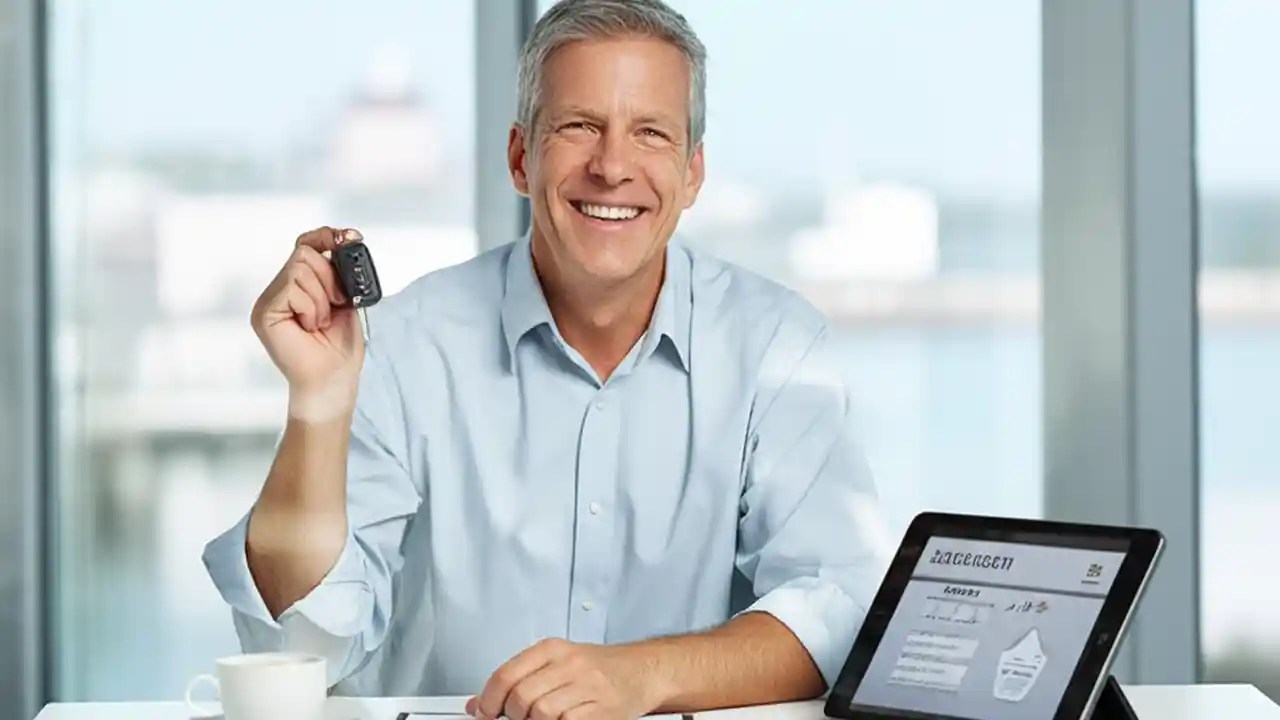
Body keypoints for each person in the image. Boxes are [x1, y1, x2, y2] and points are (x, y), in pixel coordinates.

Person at [204, 0, 890, 718]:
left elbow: (838, 609)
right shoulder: (405, 345)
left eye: (649, 133)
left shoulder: (775, 346)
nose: (612, 167)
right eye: (579, 126)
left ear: (692, 175)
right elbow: (303, 643)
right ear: (520, 158)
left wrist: (637, 677)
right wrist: (316, 404)